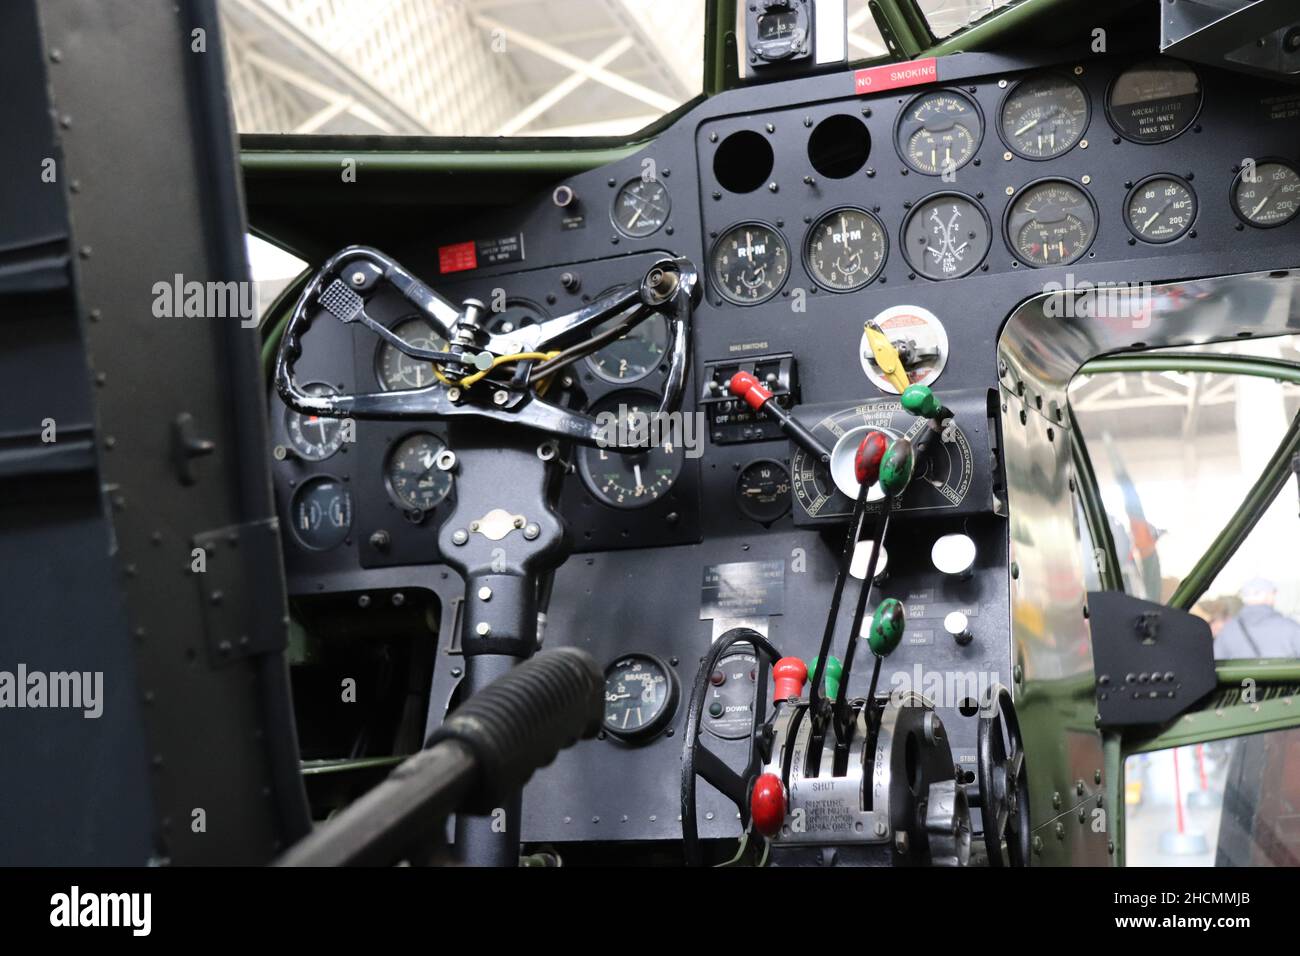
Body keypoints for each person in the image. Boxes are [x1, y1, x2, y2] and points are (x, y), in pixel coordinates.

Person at [1213, 578, 1300, 659]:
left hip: (1243, 676)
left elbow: (1216, 661)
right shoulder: (1290, 627)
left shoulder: (1227, 630)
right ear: (1269, 595)